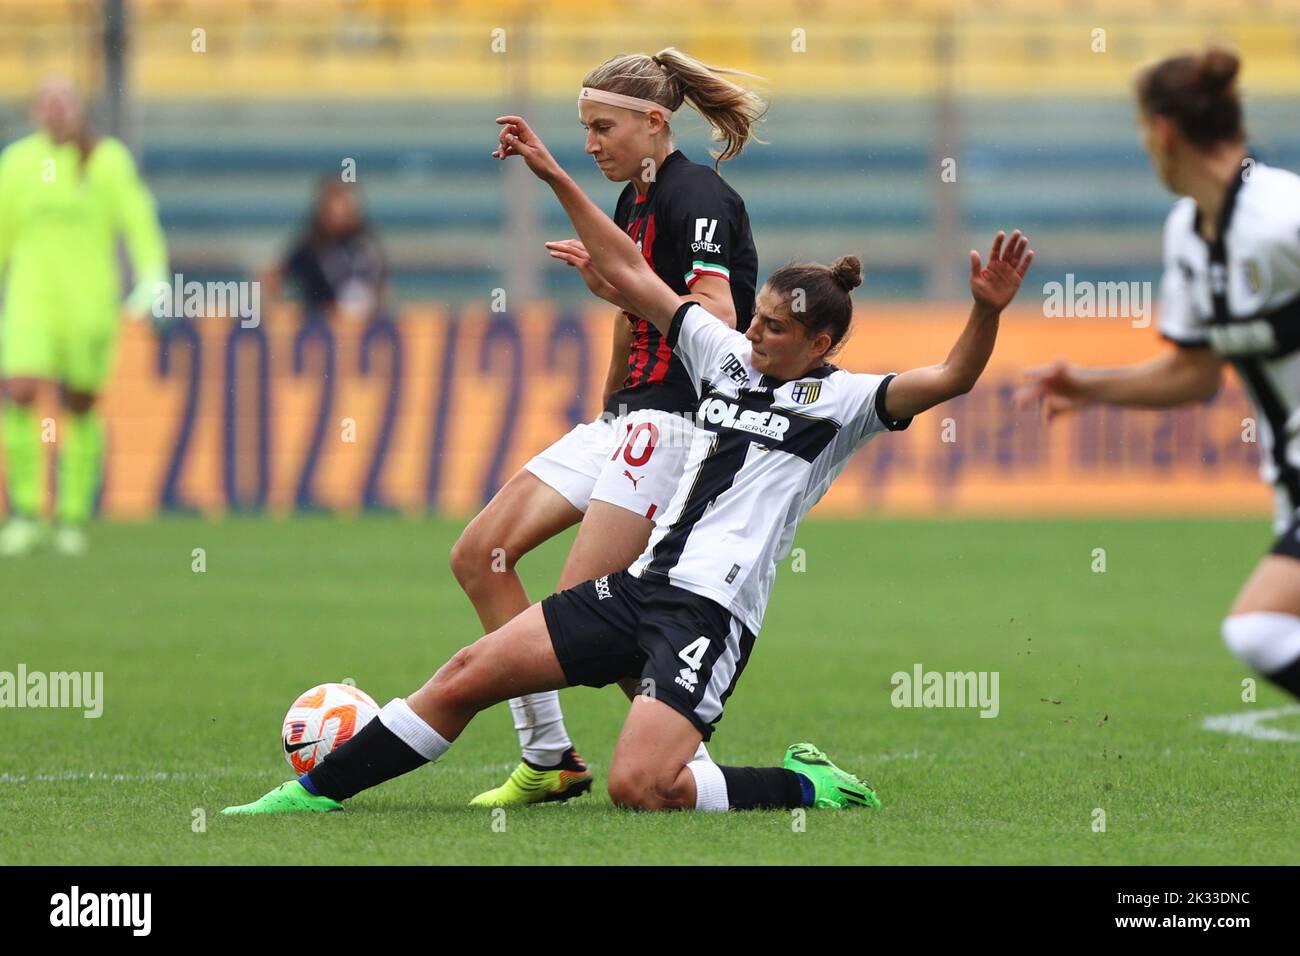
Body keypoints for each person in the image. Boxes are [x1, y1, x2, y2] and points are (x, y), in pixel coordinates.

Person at [221, 113, 1031, 816]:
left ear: (820, 344)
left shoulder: (848, 404)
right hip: (637, 588)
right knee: (467, 673)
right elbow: (635, 271)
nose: (754, 334)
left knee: (641, 787)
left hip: (706, 615)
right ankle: (307, 797)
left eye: (776, 329)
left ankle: (803, 787)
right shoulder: (726, 357)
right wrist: (553, 174)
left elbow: (952, 376)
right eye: (755, 320)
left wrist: (985, 313)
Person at [457, 49, 762, 807]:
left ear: (654, 122)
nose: (592, 143)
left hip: (677, 423)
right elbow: (637, 320)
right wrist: (606, 404)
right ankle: (551, 756)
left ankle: (686, 761)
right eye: (585, 130)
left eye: (603, 127)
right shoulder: (634, 199)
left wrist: (623, 279)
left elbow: (717, 318)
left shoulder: (698, 197)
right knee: (480, 555)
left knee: (583, 621)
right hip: (626, 417)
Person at [1016, 48, 1300, 700]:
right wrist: (1090, 386)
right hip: (1292, 486)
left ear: (1164, 131)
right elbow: (1195, 373)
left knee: (1261, 628)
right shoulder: (1189, 235)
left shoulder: (1284, 215)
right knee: (1263, 629)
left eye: (1143, 130)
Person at [0, 77, 167, 556]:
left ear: (78, 111)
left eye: (64, 103)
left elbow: (137, 219)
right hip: (30, 300)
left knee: (80, 404)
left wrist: (153, 271)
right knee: (21, 391)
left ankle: (72, 515)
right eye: (47, 103)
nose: (55, 112)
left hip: (89, 304)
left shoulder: (107, 161)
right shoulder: (17, 163)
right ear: (35, 111)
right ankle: (27, 511)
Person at [259, 177, 387, 322]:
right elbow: (275, 276)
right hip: (319, 329)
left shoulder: (366, 245)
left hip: (360, 327)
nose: (339, 213)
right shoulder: (311, 246)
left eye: (344, 206)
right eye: (334, 207)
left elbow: (382, 286)